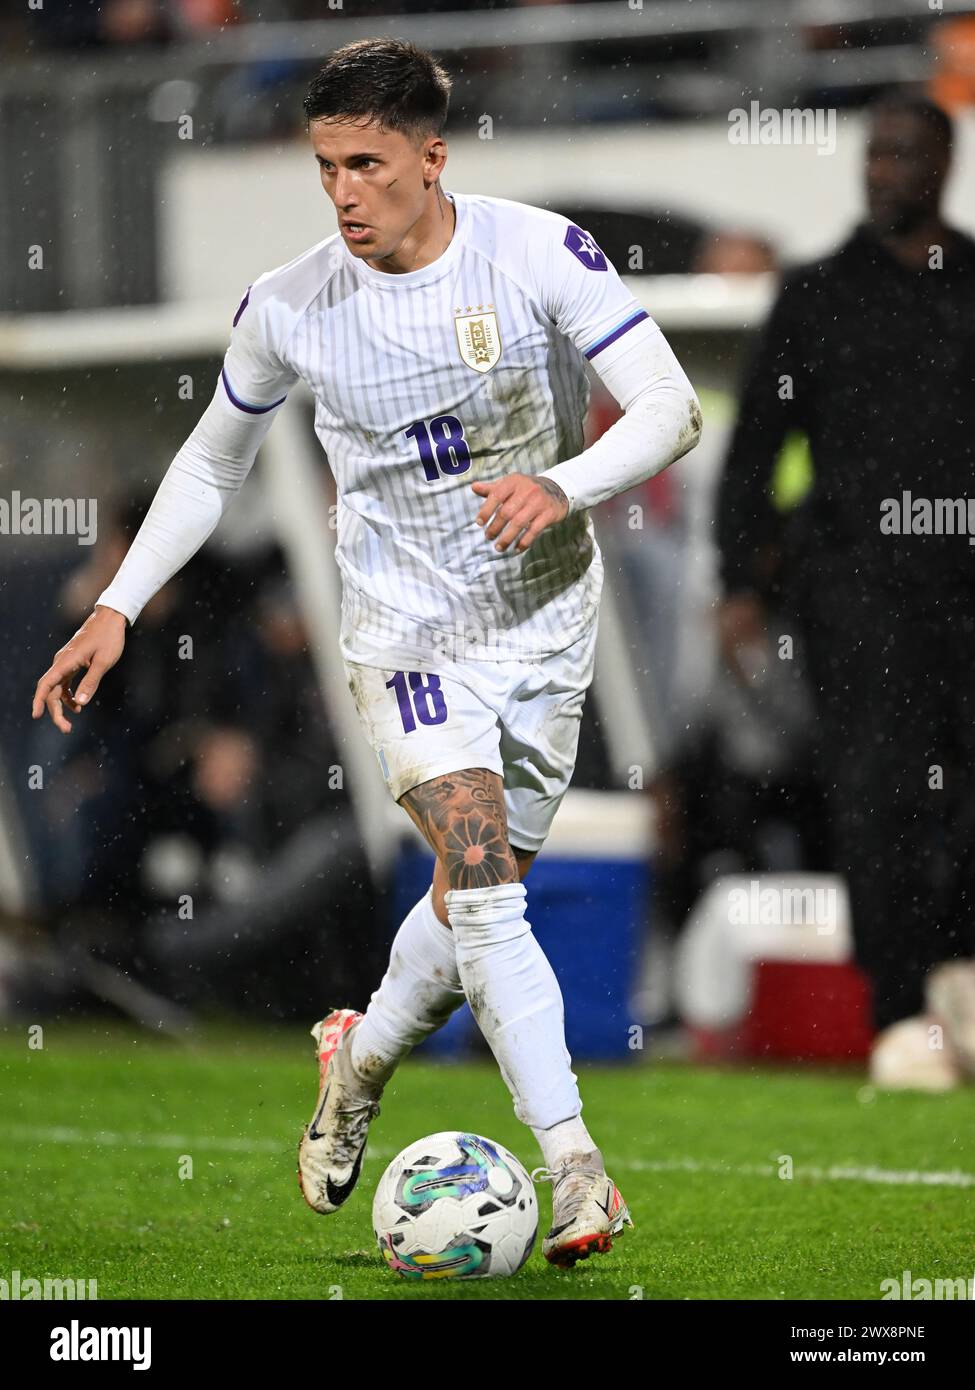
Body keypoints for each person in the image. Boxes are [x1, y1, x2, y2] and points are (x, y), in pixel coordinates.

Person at [32, 37, 702, 1268]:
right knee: (489, 886)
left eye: (369, 164)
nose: (344, 193)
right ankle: (578, 1169)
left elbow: (671, 406)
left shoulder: (538, 253)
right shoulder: (291, 304)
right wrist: (120, 602)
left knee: (462, 915)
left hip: (546, 629)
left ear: (432, 157)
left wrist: (561, 482)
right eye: (327, 165)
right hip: (405, 637)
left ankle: (364, 1056)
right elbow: (210, 462)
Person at [716, 89, 975, 1089]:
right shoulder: (816, 293)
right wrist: (740, 582)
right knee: (878, 803)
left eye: (903, 154)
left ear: (942, 164)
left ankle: (956, 975)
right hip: (857, 598)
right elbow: (753, 450)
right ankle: (902, 1016)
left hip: (967, 590)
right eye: (873, 154)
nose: (882, 172)